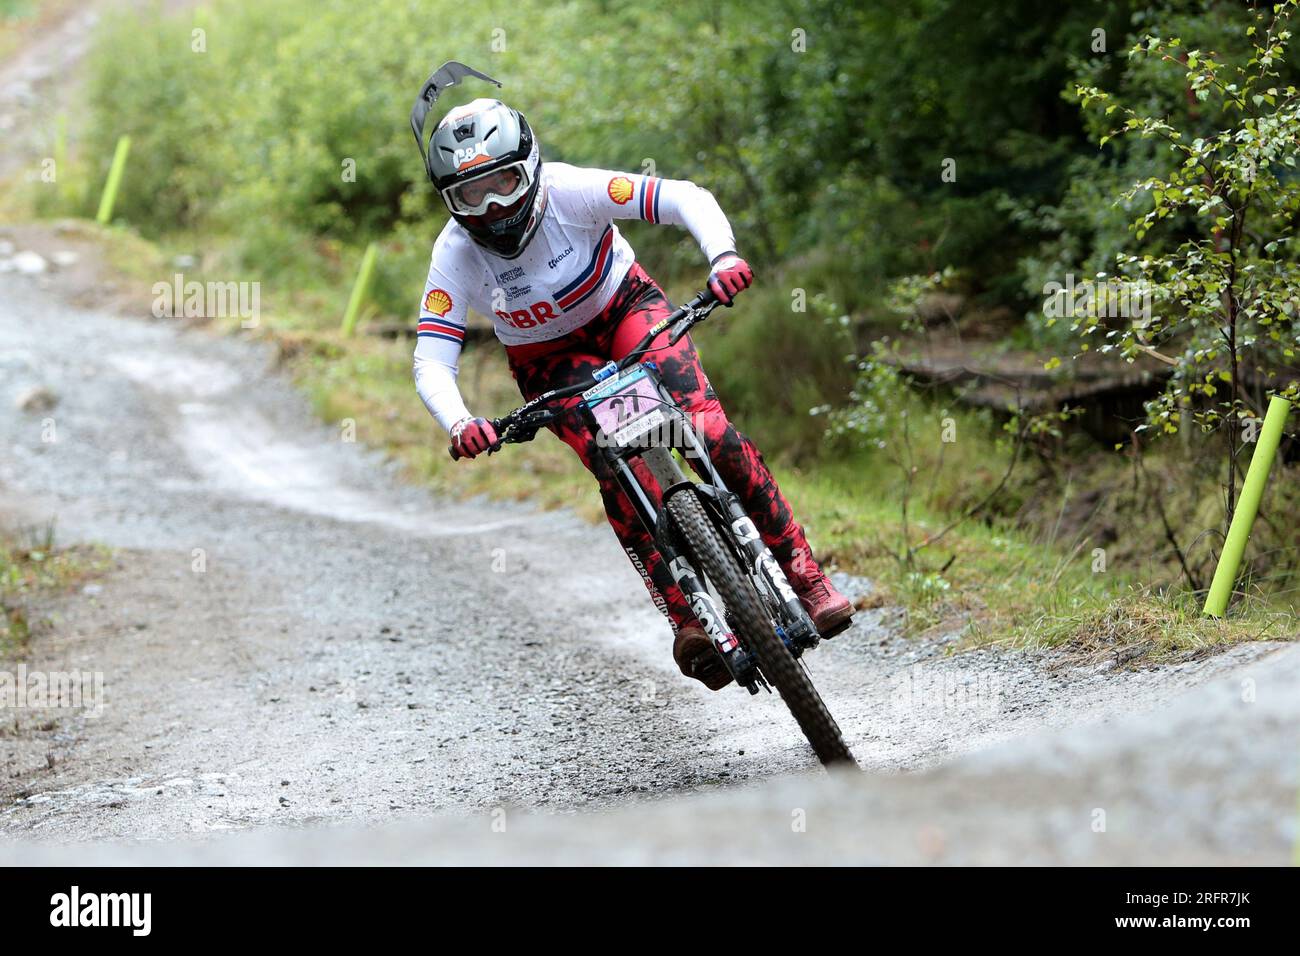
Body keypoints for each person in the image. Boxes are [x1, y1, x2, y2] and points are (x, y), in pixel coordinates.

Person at [413, 98, 852, 689]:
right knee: (620, 472)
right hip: (550, 360)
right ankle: (685, 618)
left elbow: (684, 198)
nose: (491, 206)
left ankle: (806, 576)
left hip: (626, 312)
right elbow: (432, 359)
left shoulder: (573, 190)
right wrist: (459, 420)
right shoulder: (455, 253)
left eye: (504, 183)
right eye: (471, 195)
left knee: (706, 432)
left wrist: (721, 256)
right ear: (450, 202)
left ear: (532, 165)